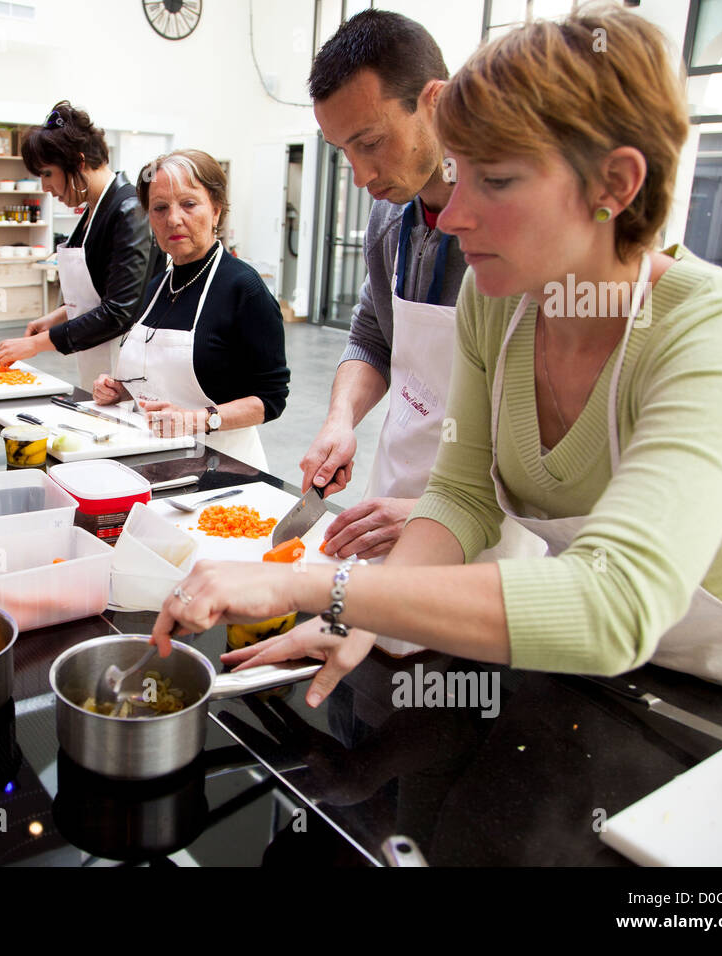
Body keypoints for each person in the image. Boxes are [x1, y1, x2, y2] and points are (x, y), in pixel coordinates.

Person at [151, 8, 722, 712]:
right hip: (586, 675)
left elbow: (614, 601)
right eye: (459, 178)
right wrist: (360, 616)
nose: (454, 217)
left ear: (613, 185)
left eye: (493, 181)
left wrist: (317, 587)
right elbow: (462, 497)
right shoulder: (498, 306)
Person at [302, 10, 545, 654]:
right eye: (343, 151)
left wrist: (436, 512)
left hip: (497, 536)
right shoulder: (390, 223)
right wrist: (340, 421)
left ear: (434, 103)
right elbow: (373, 336)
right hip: (400, 494)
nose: (360, 176)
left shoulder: (517, 250)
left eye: (371, 141)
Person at [91, 150, 289, 471]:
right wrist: (121, 390)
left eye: (188, 204)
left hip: (223, 467)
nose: (173, 219)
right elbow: (161, 377)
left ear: (216, 210)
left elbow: (271, 399)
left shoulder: (244, 289)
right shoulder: (158, 286)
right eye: (160, 208)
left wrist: (198, 419)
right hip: (159, 459)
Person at [0, 101, 159, 386]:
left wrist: (35, 344)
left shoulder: (129, 210)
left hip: (128, 362)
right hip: (98, 357)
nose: (45, 187)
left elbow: (119, 311)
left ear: (78, 163)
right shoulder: (92, 212)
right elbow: (98, 293)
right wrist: (58, 316)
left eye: (47, 173)